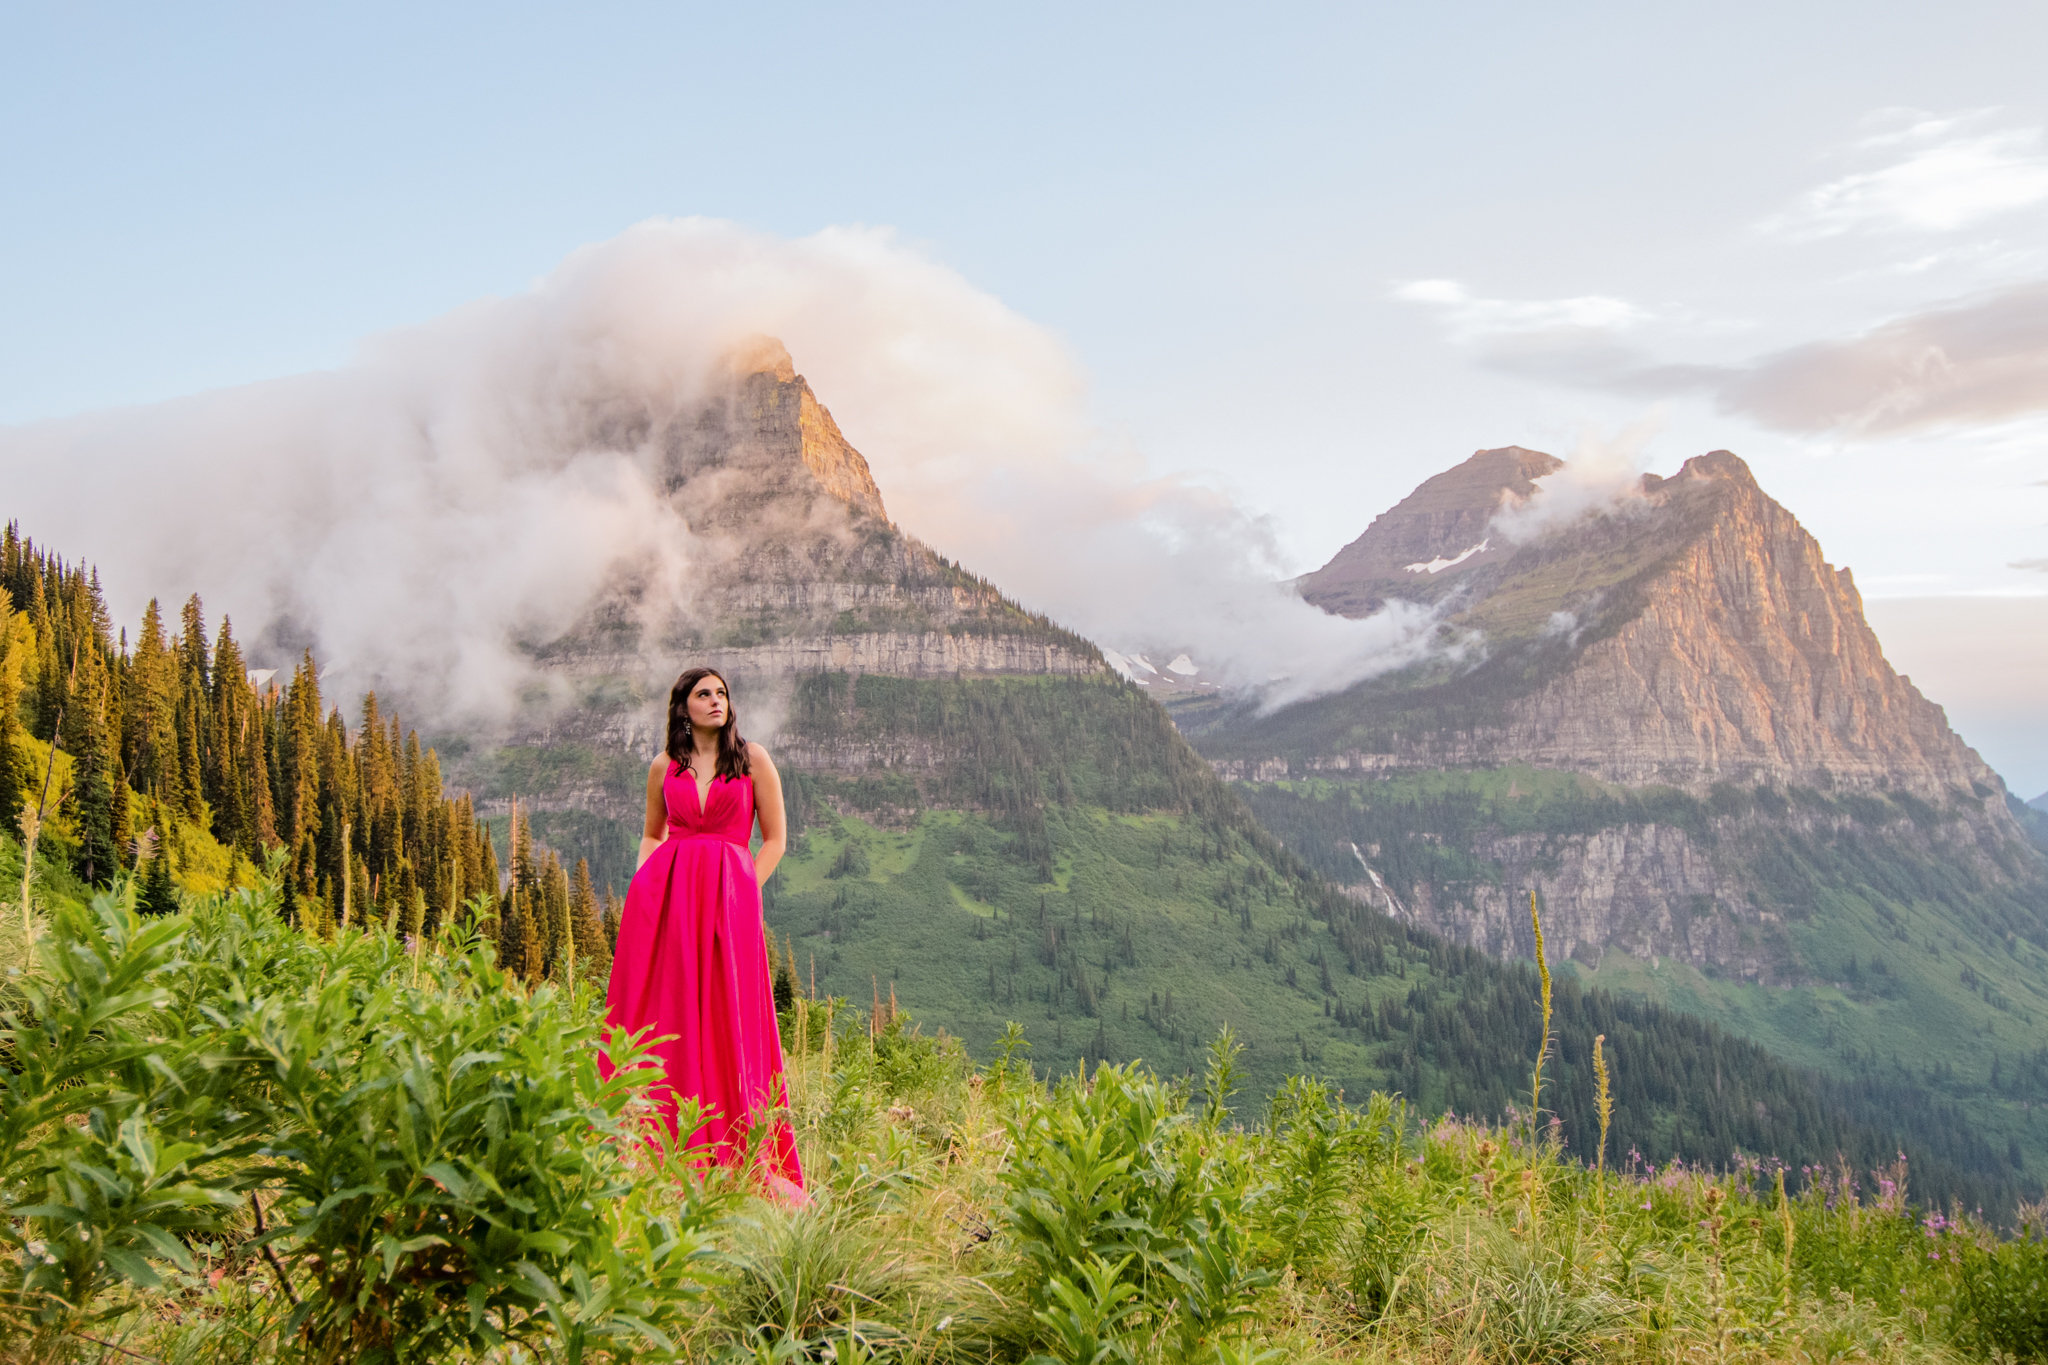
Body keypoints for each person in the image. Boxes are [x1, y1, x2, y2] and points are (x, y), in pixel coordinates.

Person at [602, 666, 805, 1201]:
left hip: (730, 906)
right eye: (703, 694)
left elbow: (776, 840)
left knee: (729, 1013)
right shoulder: (663, 767)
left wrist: (743, 893)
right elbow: (651, 834)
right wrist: (645, 888)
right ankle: (658, 1148)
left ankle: (738, 1150)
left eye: (722, 693)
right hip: (667, 906)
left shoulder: (754, 759)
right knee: (667, 1011)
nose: (716, 700)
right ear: (683, 707)